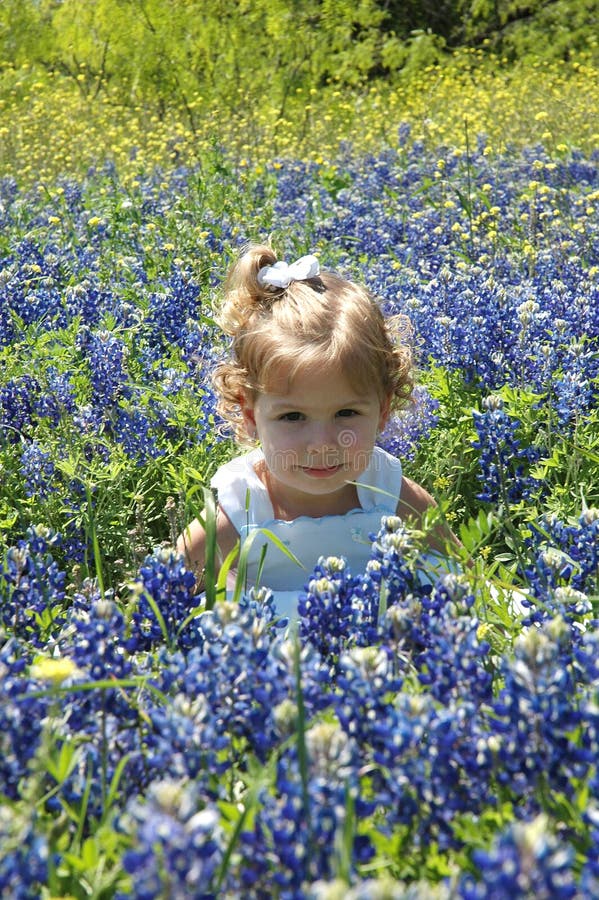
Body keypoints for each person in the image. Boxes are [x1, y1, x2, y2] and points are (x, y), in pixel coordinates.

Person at [177, 244, 456, 617]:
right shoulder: (237, 513)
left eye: (346, 413)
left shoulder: (395, 498)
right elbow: (156, 606)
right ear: (250, 414)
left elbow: (467, 587)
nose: (322, 444)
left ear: (383, 410)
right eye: (293, 417)